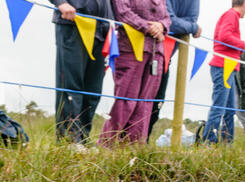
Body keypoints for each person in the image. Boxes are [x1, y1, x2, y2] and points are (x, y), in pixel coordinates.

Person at [98, 0, 171, 145]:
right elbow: (123, 13)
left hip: (156, 52)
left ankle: (134, 147)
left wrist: (162, 25)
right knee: (125, 100)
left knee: (145, 103)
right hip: (130, 49)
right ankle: (107, 145)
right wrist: (148, 27)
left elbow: (167, 18)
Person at [49, 1, 114, 146]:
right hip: (73, 23)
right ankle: (68, 140)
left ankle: (83, 138)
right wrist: (61, 3)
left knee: (93, 90)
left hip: (102, 29)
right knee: (71, 86)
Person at [147, 0, 201, 140]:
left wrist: (187, 25)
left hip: (165, 57)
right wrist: (193, 28)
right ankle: (120, 141)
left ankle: (142, 141)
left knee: (157, 103)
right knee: (136, 100)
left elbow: (187, 20)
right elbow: (170, 21)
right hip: (144, 51)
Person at [202, 0, 245, 144]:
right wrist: (243, 44)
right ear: (244, 3)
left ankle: (227, 144)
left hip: (229, 67)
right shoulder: (231, 15)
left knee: (230, 109)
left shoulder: (233, 17)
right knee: (219, 106)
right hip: (223, 66)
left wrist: (242, 44)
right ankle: (209, 143)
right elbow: (224, 36)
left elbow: (227, 39)